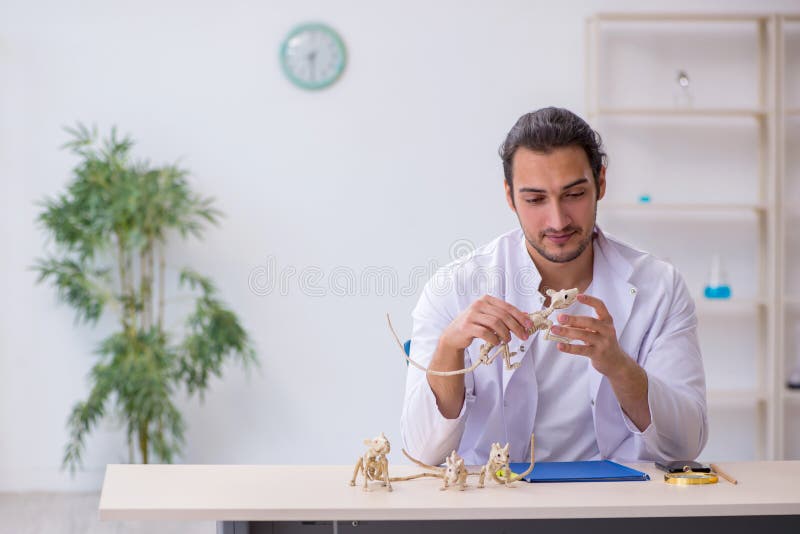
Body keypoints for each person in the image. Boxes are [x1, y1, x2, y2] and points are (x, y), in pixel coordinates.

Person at [400, 107, 707, 466]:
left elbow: (686, 445)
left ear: (601, 184)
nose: (558, 220)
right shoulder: (455, 288)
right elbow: (420, 452)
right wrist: (449, 348)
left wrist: (619, 366)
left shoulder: (659, 288)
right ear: (510, 196)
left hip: (618, 505)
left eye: (574, 194)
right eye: (535, 200)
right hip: (492, 507)